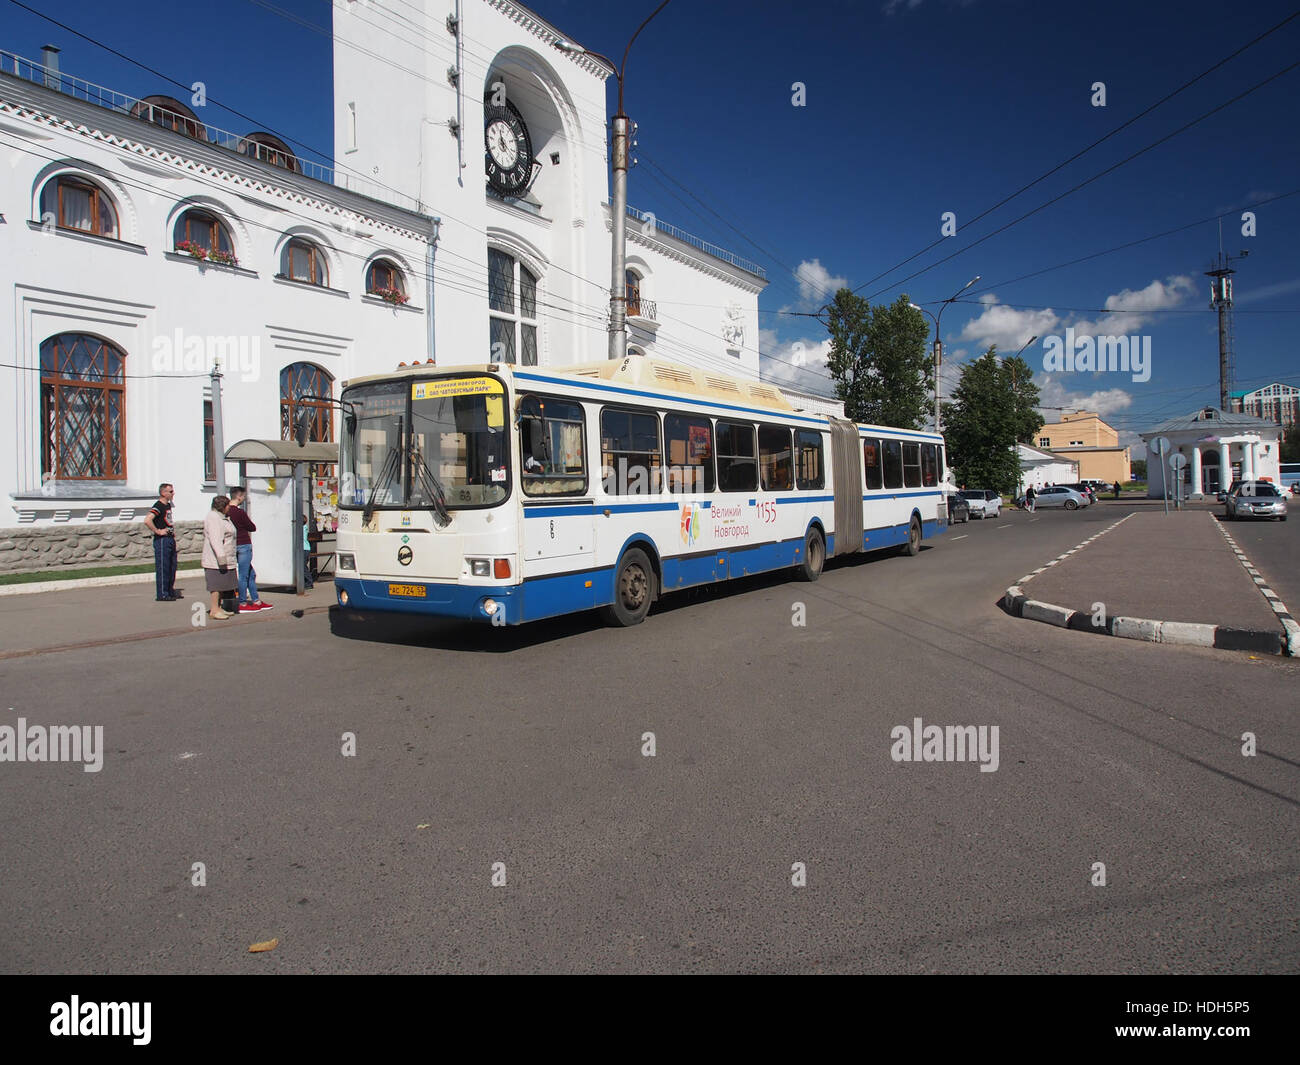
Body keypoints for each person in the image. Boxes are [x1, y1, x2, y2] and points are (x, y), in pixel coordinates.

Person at [227, 486, 272, 612]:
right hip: (244, 544)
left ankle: (256, 600)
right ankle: (242, 603)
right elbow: (251, 527)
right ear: (239, 496)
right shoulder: (239, 512)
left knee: (251, 574)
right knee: (243, 575)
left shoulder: (226, 511)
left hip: (233, 545)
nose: (244, 498)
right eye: (243, 496)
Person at [202, 495, 239, 620]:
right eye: (228, 505)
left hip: (226, 557)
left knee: (223, 584)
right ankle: (214, 609)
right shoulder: (213, 518)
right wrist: (221, 557)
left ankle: (218, 607)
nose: (229, 508)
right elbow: (215, 539)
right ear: (222, 506)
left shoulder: (223, 518)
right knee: (216, 585)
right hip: (216, 559)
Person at [144, 482, 178, 601]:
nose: (173, 493)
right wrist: (158, 531)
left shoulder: (167, 505)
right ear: (163, 493)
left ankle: (170, 590)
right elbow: (148, 520)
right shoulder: (158, 506)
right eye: (171, 491)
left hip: (169, 538)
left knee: (172, 566)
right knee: (163, 566)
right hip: (162, 540)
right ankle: (162, 593)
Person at [303, 511, 315, 590]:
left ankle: (309, 582)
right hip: (305, 549)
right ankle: (305, 582)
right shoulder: (304, 527)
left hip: (304, 549)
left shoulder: (303, 528)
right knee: (302, 566)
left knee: (302, 566)